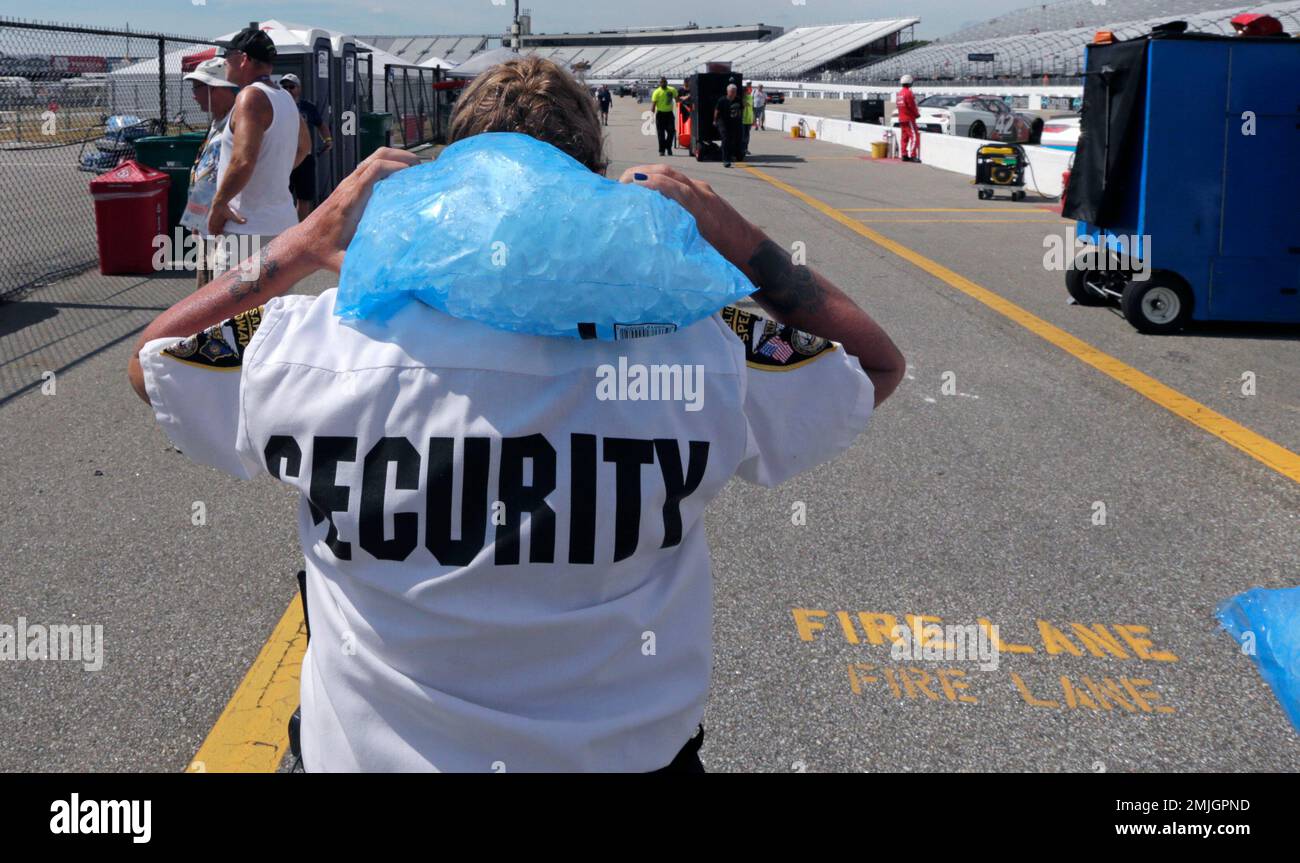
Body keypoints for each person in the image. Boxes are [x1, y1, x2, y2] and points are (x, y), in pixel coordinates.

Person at [127, 55, 904, 773]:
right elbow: (875, 363)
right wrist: (733, 236)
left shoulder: (319, 339)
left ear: (448, 178)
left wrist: (303, 240)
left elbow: (153, 361)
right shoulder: (703, 348)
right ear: (597, 184)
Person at [208, 25, 310, 275]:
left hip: (247, 231)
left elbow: (243, 161)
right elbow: (304, 147)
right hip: (282, 224)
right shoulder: (285, 97)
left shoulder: (250, 97)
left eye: (228, 58)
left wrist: (218, 205)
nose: (225, 65)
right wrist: (274, 171)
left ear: (243, 59)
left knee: (234, 312)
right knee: (273, 312)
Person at [178, 58, 240, 289]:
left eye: (198, 88)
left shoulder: (236, 123)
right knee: (205, 287)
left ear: (217, 89)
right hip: (207, 224)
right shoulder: (218, 121)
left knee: (216, 293)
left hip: (221, 227)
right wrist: (196, 218)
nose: (194, 95)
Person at [280, 72, 332, 221]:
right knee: (283, 197)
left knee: (304, 197)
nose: (288, 90)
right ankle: (285, 228)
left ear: (299, 88)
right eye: (284, 87)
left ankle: (300, 228)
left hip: (304, 158)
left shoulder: (307, 107)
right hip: (284, 158)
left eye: (291, 87)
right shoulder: (276, 106)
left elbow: (321, 124)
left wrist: (327, 139)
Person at [714, 82, 744, 167]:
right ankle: (726, 159)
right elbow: (716, 111)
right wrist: (715, 120)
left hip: (734, 122)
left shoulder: (738, 100)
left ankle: (735, 155)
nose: (733, 93)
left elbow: (742, 109)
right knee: (726, 139)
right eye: (732, 92)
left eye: (735, 92)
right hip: (723, 122)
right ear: (728, 92)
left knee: (735, 139)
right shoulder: (722, 100)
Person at [650, 76, 678, 156]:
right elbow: (653, 105)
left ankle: (668, 147)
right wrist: (651, 115)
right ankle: (662, 150)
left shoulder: (672, 90)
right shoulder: (656, 92)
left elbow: (677, 99)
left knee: (671, 132)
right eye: (662, 82)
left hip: (669, 114)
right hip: (660, 114)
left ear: (667, 82)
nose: (663, 83)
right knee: (661, 134)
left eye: (664, 82)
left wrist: (687, 98)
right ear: (660, 83)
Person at [896, 74, 921, 163]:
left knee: (904, 137)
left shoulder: (899, 94)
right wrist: (917, 114)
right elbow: (912, 106)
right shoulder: (908, 93)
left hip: (901, 118)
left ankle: (904, 155)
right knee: (914, 137)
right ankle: (913, 155)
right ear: (910, 82)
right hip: (909, 118)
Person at [740, 82, 755, 156]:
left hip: (748, 119)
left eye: (746, 91)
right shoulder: (740, 98)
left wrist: (753, 119)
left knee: (747, 136)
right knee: (742, 136)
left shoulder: (750, 97)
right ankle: (742, 149)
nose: (747, 92)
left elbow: (751, 108)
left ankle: (745, 149)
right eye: (745, 91)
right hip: (742, 119)